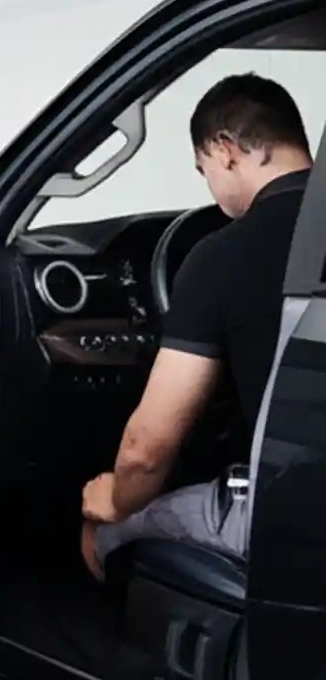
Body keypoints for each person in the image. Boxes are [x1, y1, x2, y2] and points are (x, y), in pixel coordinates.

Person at [80, 73, 314, 579]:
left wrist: (112, 499)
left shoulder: (223, 254)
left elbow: (146, 453)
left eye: (203, 168)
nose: (209, 185)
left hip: (297, 512)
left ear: (226, 149)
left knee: (108, 530)